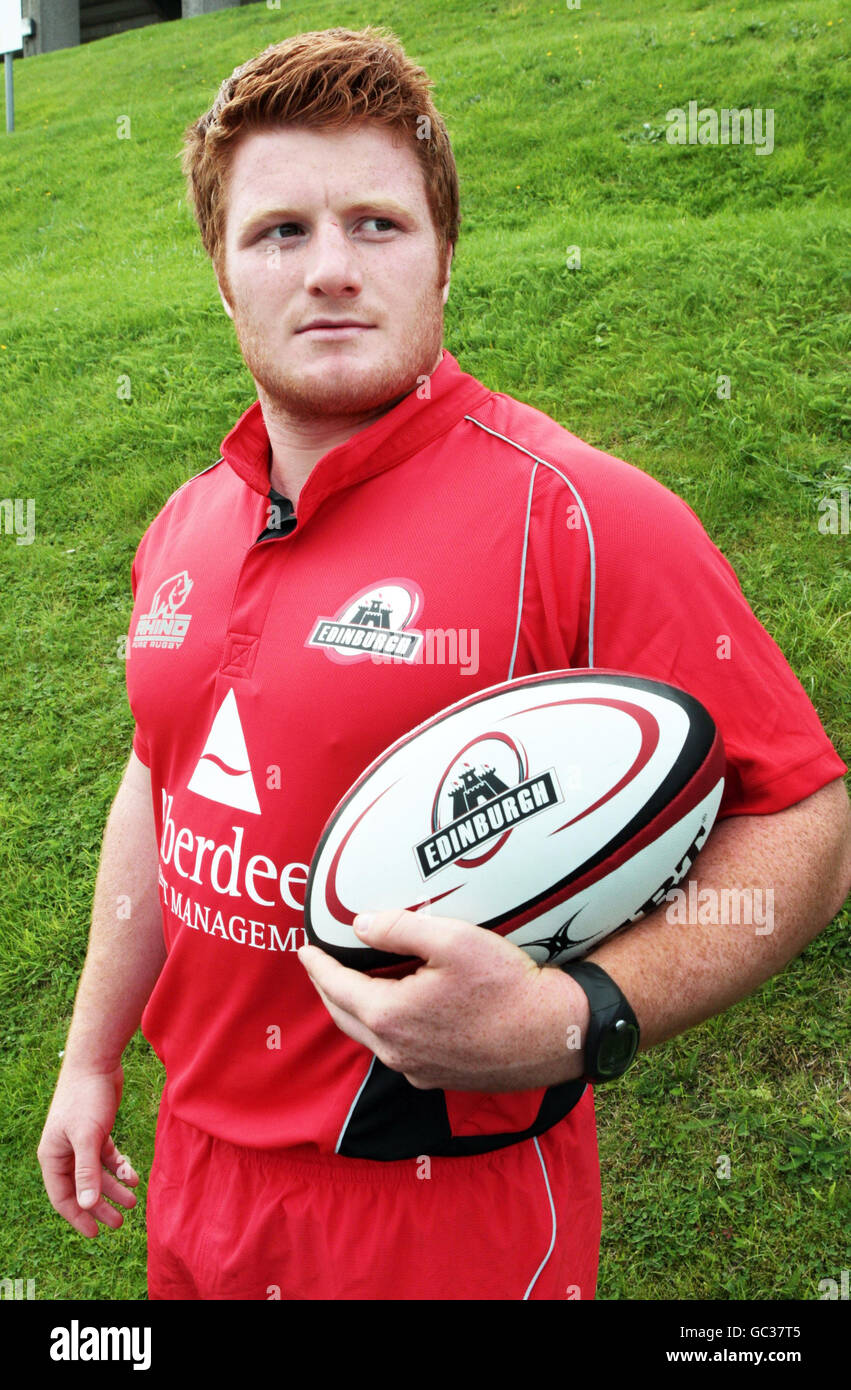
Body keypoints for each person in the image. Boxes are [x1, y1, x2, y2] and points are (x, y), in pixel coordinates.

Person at [38, 26, 850, 1301]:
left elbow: (802, 821)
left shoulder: (580, 514)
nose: (330, 272)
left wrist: (573, 1019)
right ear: (221, 275)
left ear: (443, 258)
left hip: (433, 1211)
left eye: (377, 224)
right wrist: (91, 1058)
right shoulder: (185, 524)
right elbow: (165, 781)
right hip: (199, 1184)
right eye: (279, 233)